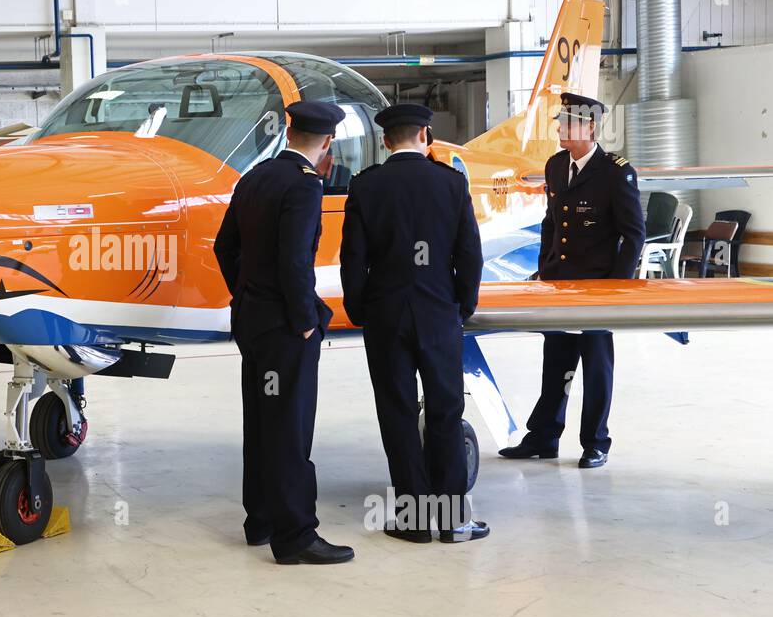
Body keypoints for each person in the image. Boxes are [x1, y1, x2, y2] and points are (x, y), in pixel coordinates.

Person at [214, 100, 354, 566]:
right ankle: (295, 535)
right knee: (291, 428)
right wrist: (303, 319)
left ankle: (261, 521)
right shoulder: (304, 185)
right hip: (284, 328)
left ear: (290, 133)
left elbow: (224, 246)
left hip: (252, 321)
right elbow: (296, 262)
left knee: (260, 422)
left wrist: (247, 294)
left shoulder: (253, 177)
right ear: (327, 143)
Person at [341, 103, 487, 543]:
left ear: (386, 141)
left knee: (398, 413)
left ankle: (414, 519)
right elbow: (469, 254)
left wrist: (360, 309)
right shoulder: (450, 183)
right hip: (438, 312)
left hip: (387, 315)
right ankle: (454, 520)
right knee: (445, 411)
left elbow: (353, 260)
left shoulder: (366, 187)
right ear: (425, 135)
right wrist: (462, 304)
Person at [499, 93, 645, 469]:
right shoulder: (554, 165)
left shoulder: (615, 172)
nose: (560, 128)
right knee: (556, 363)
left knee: (596, 369)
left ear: (590, 127)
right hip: (560, 286)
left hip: (597, 288)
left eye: (567, 122)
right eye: (560, 122)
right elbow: (551, 223)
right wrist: (545, 267)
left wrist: (617, 286)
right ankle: (544, 437)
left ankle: (596, 442)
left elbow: (634, 235)